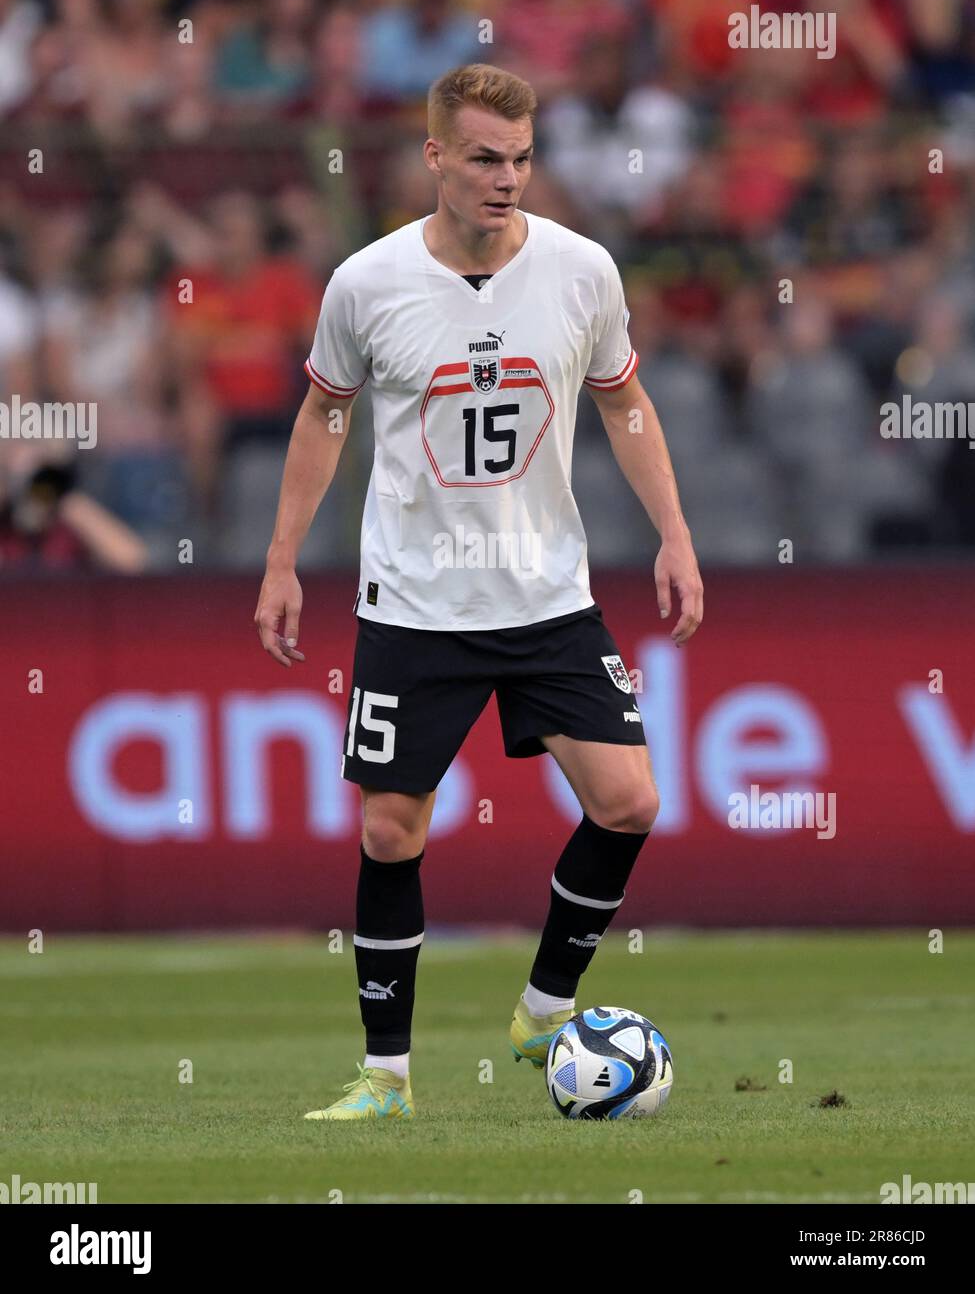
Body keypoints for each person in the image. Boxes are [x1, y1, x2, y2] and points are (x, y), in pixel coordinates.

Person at [253, 63, 703, 1120]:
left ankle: (545, 1004)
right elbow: (324, 417)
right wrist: (282, 558)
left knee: (630, 800)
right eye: (486, 159)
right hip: (414, 604)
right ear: (437, 159)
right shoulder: (366, 282)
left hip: (547, 593)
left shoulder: (583, 270)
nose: (508, 180)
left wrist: (674, 533)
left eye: (523, 160)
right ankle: (386, 1079)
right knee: (389, 832)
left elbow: (625, 402)